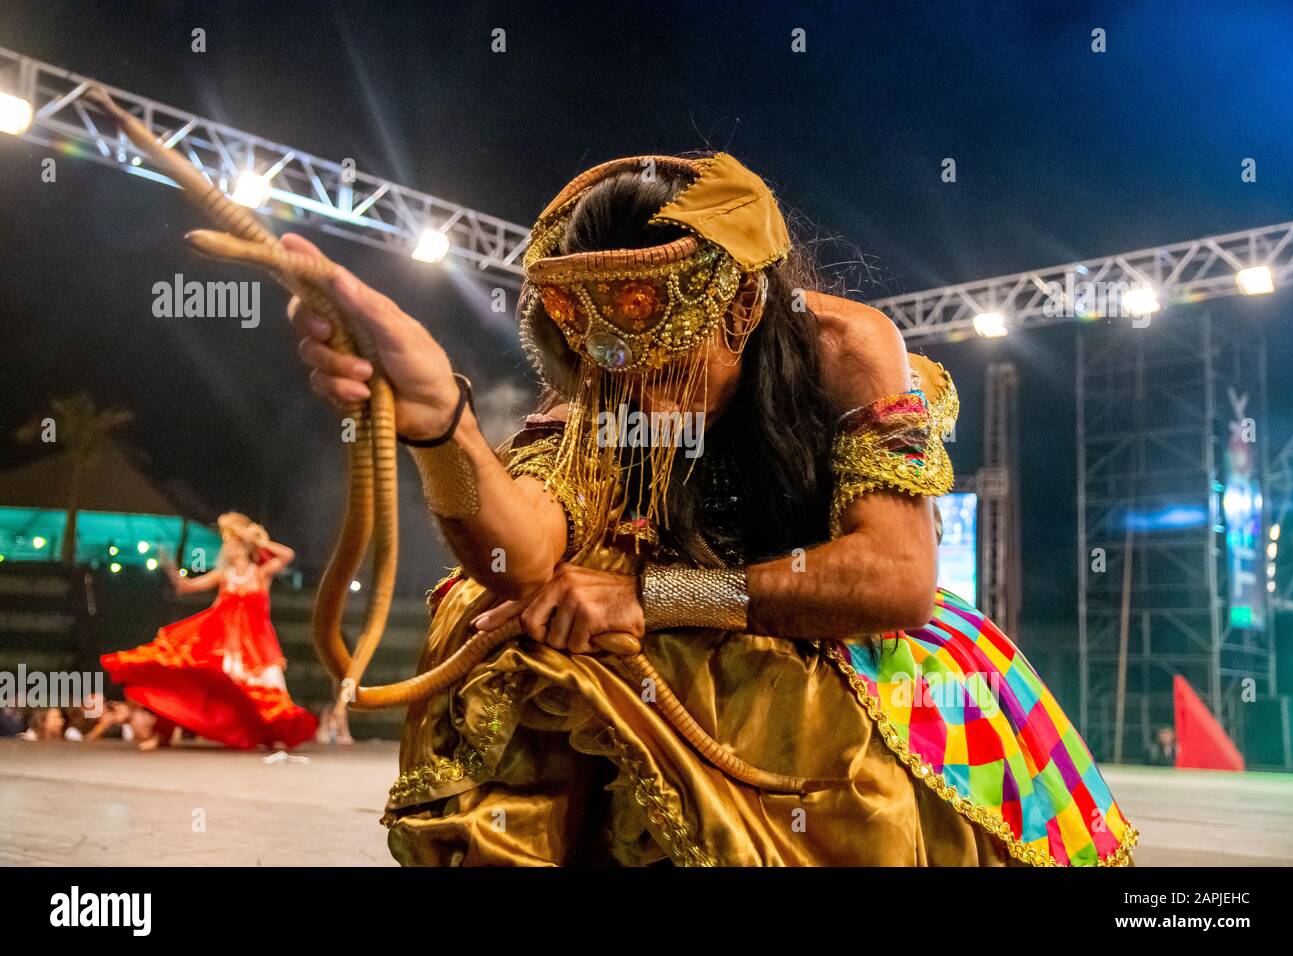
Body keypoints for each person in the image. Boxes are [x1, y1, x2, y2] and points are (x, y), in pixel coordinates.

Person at [285, 152, 1136, 866]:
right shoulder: (606, 378)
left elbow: (900, 580)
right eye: (614, 371)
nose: (639, 399)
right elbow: (524, 557)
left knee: (779, 697)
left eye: (668, 367)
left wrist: (655, 596)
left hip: (836, 645)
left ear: (741, 308)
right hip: (665, 643)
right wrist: (442, 423)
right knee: (507, 629)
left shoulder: (848, 348)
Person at [101, 513, 317, 751]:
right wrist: (172, 570)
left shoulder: (260, 573)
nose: (228, 546)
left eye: (233, 542)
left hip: (255, 645)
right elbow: (188, 586)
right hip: (223, 643)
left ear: (244, 546)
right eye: (228, 542)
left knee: (262, 693)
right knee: (187, 676)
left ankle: (265, 734)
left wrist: (256, 540)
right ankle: (165, 732)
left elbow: (288, 555)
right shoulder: (224, 575)